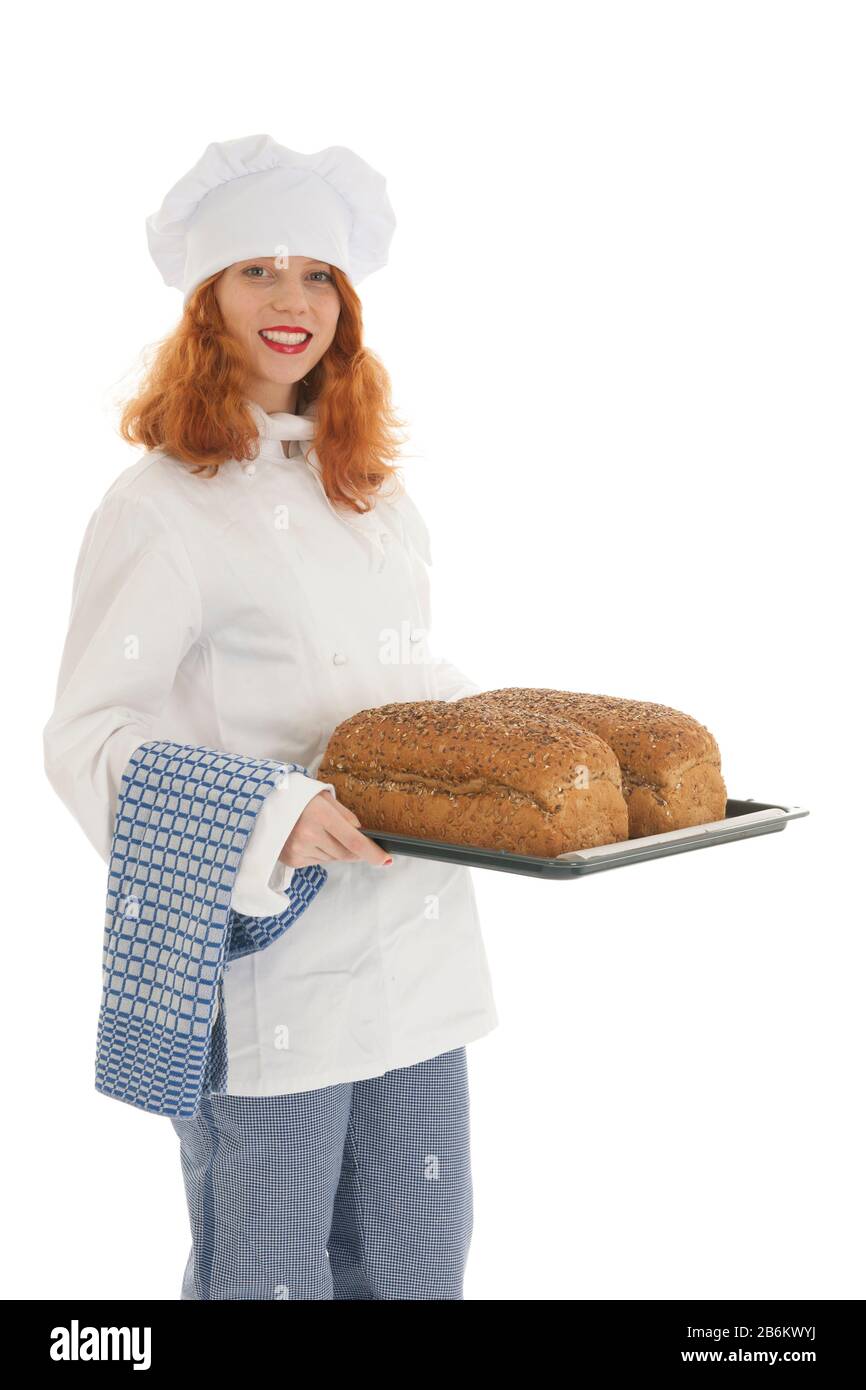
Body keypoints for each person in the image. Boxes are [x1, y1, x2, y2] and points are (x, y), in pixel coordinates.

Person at [42, 135, 498, 1300]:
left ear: (346, 303)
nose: (290, 300)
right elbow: (88, 733)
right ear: (205, 304)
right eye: (256, 271)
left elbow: (402, 682)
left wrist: (500, 748)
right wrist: (269, 814)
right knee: (269, 1274)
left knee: (416, 1262)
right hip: (270, 967)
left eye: (317, 274)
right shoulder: (158, 508)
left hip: (415, 938)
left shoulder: (377, 492)